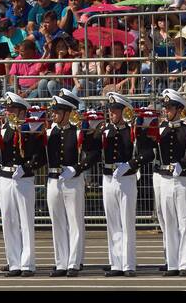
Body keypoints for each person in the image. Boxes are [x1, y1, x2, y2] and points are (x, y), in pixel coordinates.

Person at [153, 88, 186, 277]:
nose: (166, 111)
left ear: (178, 109)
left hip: (183, 180)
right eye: (165, 107)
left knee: (184, 222)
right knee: (169, 223)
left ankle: (184, 264)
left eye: (169, 108)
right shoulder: (161, 130)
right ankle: (172, 263)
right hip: (165, 179)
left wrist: (184, 163)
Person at [0, 91, 44, 276]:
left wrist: (27, 167)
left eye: (13, 109)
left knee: (25, 220)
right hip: (4, 177)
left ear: (23, 112)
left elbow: (40, 156)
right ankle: (14, 262)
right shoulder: (1, 128)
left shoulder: (31, 129)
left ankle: (27, 263)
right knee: (9, 220)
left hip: (23, 177)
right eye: (8, 109)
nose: (9, 112)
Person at [43, 92, 89, 277]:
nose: (53, 115)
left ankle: (74, 263)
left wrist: (77, 169)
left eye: (57, 111)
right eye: (53, 111)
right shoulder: (49, 132)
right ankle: (61, 262)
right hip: (54, 180)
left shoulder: (77, 131)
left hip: (72, 180)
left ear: (67, 113)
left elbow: (91, 154)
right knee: (58, 222)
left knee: (74, 222)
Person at [98, 92, 139, 276]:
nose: (111, 113)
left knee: (127, 222)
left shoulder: (132, 131)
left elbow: (146, 153)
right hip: (108, 178)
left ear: (124, 112)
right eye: (110, 110)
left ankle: (128, 264)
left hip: (126, 178)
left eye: (115, 110)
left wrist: (130, 165)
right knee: (113, 222)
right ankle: (116, 263)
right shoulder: (105, 131)